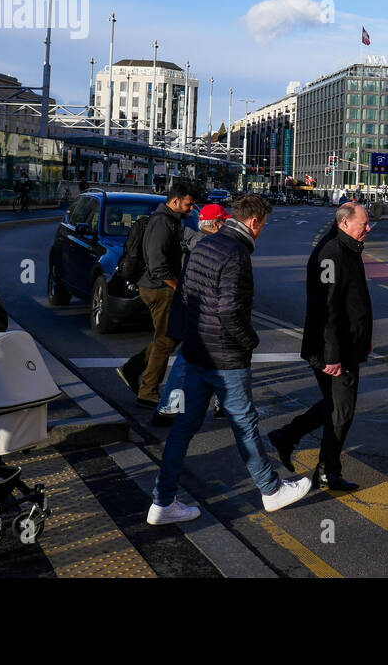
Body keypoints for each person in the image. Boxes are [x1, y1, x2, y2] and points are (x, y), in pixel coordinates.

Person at [147, 194, 310, 523]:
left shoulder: (206, 244)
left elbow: (186, 297)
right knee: (245, 425)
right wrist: (250, 341)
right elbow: (229, 311)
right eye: (262, 225)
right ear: (253, 222)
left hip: (196, 352)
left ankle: (162, 502)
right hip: (225, 357)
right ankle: (271, 490)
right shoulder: (236, 254)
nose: (261, 232)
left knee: (182, 429)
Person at [269, 202, 373, 492]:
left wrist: (365, 336)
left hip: (346, 344)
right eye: (363, 223)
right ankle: (327, 470)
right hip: (334, 350)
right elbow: (326, 309)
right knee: (342, 410)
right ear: (344, 224)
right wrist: (332, 355)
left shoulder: (347, 249)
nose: (368, 228)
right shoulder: (332, 253)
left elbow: (354, 301)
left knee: (334, 405)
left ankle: (287, 437)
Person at [118, 180, 197, 408]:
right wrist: (177, 287)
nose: (191, 210)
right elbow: (158, 265)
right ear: (175, 201)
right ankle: (148, 392)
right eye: (189, 205)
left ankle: (132, 369)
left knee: (168, 337)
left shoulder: (169, 220)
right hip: (158, 288)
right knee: (166, 340)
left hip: (158, 287)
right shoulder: (162, 223)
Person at [153, 203, 228, 427]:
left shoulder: (194, 243)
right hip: (202, 314)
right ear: (217, 224)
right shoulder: (210, 246)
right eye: (225, 221)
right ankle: (170, 406)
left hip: (191, 310)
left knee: (202, 360)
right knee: (191, 361)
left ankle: (175, 406)